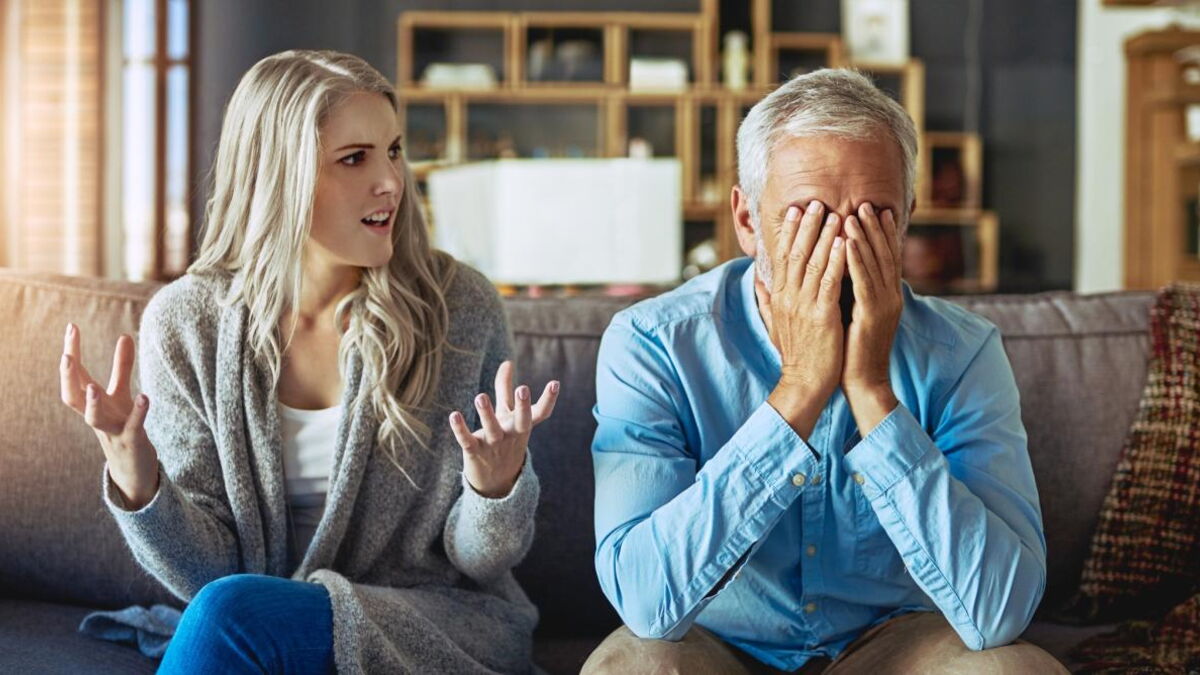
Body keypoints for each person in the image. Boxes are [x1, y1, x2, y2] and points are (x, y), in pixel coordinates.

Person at [58, 49, 559, 674]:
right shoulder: (188, 323)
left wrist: (496, 486)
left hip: (431, 619)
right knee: (231, 610)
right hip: (268, 627)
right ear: (279, 175)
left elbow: (482, 561)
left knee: (230, 617)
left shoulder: (458, 308)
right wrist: (137, 479)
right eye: (355, 158)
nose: (391, 181)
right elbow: (205, 573)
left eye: (394, 151)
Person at [583, 69, 1066, 674]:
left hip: (896, 642)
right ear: (747, 220)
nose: (839, 249)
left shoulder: (962, 352)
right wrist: (798, 392)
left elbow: (1001, 610)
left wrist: (870, 393)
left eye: (873, 218)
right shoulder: (652, 343)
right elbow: (648, 604)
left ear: (908, 219)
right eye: (806, 217)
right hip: (715, 643)